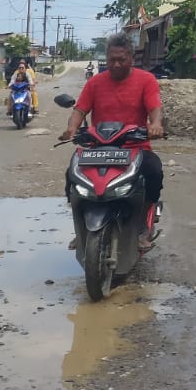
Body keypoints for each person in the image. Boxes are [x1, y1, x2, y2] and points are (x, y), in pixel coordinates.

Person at [59, 32, 164, 250]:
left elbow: (155, 107)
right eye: (111, 60)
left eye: (121, 60)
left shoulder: (146, 80)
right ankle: (80, 229)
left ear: (131, 59)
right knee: (72, 175)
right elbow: (80, 109)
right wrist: (71, 128)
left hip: (135, 147)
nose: (115, 64)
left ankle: (144, 224)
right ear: (105, 59)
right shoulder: (95, 82)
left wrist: (155, 124)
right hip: (100, 147)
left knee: (154, 170)